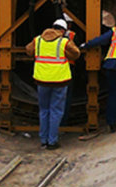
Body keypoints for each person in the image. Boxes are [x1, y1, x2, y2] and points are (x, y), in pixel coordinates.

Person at [25, 19, 80, 149]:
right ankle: (52, 141)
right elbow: (76, 54)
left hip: (42, 80)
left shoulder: (38, 40)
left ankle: (43, 140)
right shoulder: (64, 42)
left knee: (44, 110)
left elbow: (28, 50)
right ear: (63, 30)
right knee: (56, 111)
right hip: (59, 81)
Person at [61, 13, 77, 125]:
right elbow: (77, 52)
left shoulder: (47, 36)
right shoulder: (72, 35)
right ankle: (63, 122)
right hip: (68, 68)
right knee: (66, 95)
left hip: (52, 70)